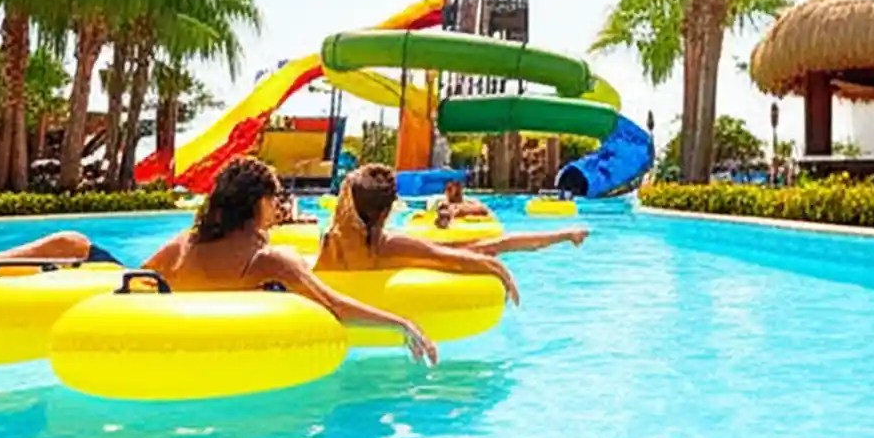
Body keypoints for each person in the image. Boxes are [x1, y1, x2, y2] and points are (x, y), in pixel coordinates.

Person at [142, 157, 437, 364]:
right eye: (275, 199)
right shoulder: (269, 261)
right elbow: (334, 305)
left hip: (179, 355)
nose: (279, 206)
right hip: (244, 363)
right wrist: (401, 323)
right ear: (260, 203)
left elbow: (137, 279)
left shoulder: (182, 244)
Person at [322, 165, 588, 276]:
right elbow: (452, 257)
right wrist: (497, 270)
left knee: (489, 244)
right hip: (419, 257)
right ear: (389, 209)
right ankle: (566, 234)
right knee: (489, 246)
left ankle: (565, 234)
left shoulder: (331, 240)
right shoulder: (389, 244)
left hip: (416, 255)